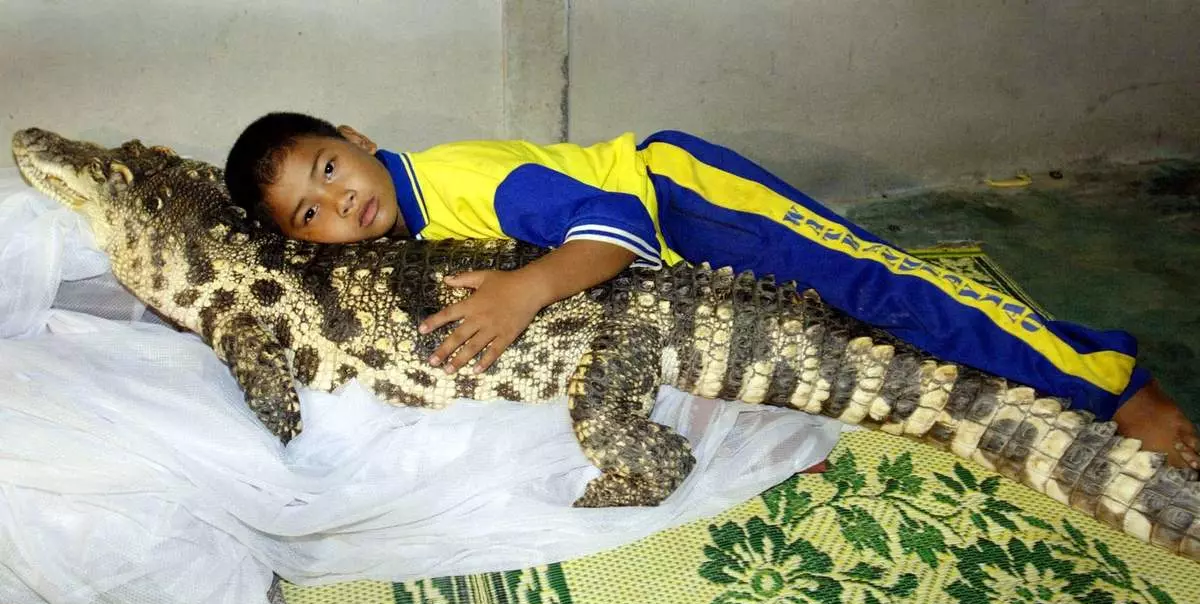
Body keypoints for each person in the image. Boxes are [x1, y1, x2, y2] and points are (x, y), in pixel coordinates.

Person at [223, 112, 1199, 469]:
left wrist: (523, 292)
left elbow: (611, 229)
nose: (336, 207)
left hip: (686, 200)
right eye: (306, 214)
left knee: (884, 286)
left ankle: (1114, 377)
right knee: (840, 328)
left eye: (327, 170)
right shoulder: (410, 218)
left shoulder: (465, 176)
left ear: (354, 138)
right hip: (664, 266)